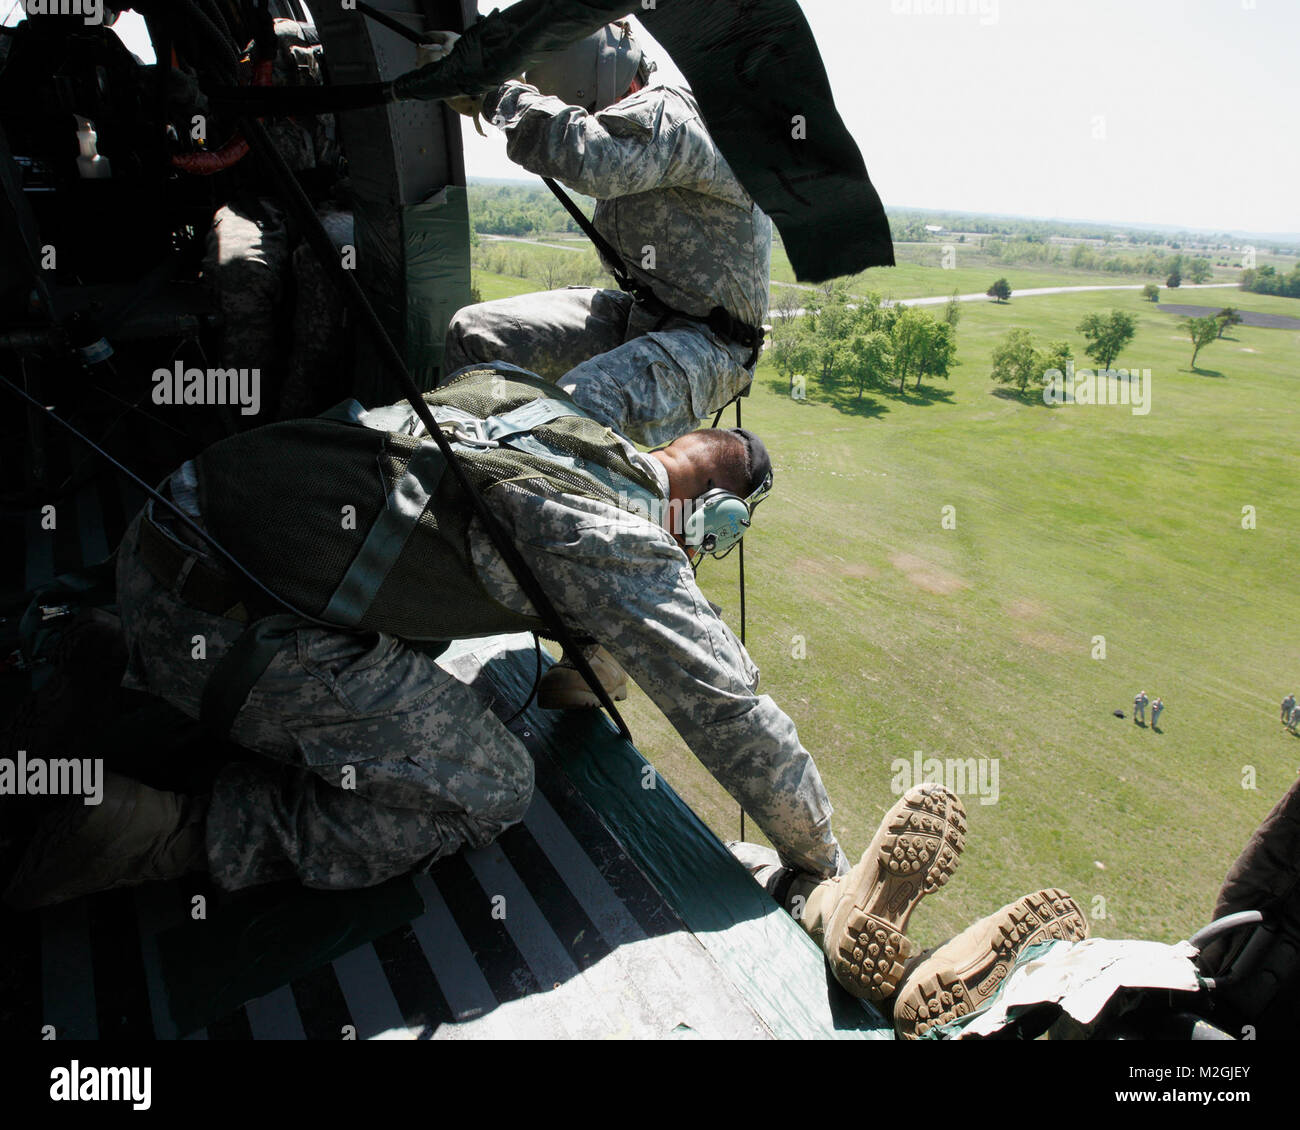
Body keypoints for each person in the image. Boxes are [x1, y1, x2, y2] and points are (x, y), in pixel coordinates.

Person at [3, 363, 935, 1004]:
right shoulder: (625, 545)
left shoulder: (539, 408)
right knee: (490, 787)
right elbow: (728, 706)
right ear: (715, 521)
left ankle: (97, 654)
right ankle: (152, 832)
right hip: (219, 625)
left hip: (166, 530)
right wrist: (821, 857)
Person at [444, 21, 772, 709]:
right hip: (647, 310)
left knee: (574, 413)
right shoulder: (631, 108)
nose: (589, 119)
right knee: (477, 333)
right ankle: (449, 500)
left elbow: (588, 156)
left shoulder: (671, 116)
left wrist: (496, 95)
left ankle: (598, 643)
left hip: (710, 344)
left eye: (585, 108)